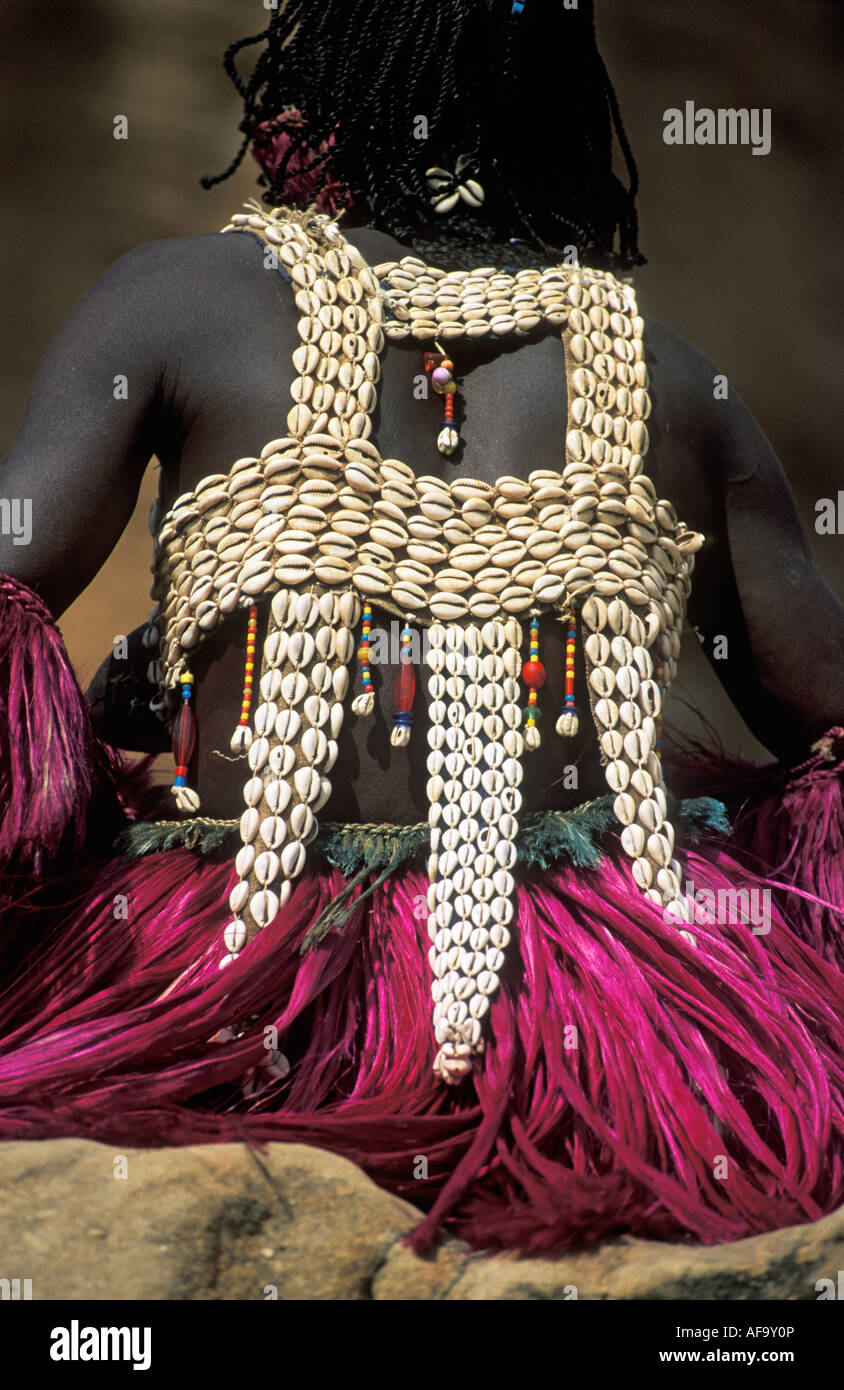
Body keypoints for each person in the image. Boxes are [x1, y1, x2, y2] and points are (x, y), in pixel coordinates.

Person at [0, 0, 842, 1256]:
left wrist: (106, 731)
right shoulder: (670, 381)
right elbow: (824, 719)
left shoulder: (176, 300)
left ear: (323, 88)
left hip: (231, 970)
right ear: (558, 118)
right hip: (598, 1011)